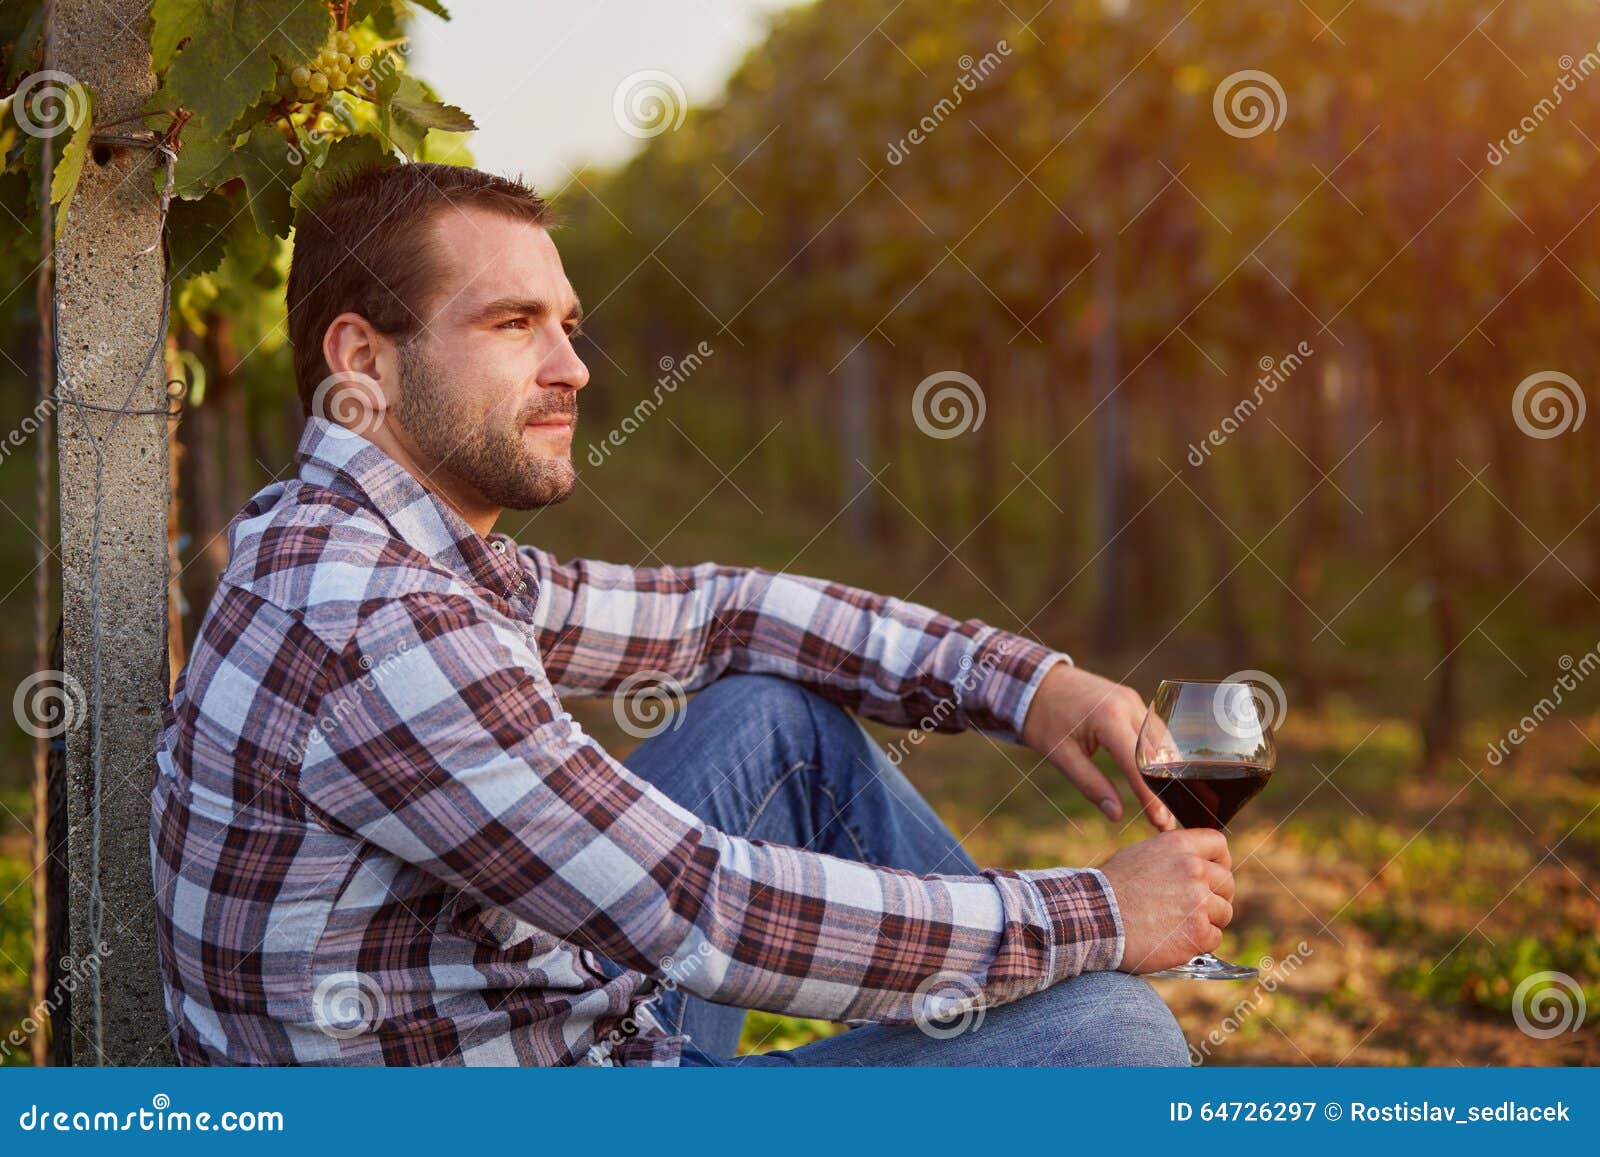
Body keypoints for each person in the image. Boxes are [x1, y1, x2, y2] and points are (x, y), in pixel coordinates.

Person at [151, 163, 1234, 1067]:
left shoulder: (348, 539)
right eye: (512, 323)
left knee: (775, 719)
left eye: (567, 324)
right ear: (360, 361)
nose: (571, 366)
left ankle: (980, 1016)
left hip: (518, 1019)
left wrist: (1031, 685)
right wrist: (1092, 912)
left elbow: (722, 616)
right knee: (1110, 1038)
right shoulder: (382, 619)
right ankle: (1027, 1016)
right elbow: (704, 908)